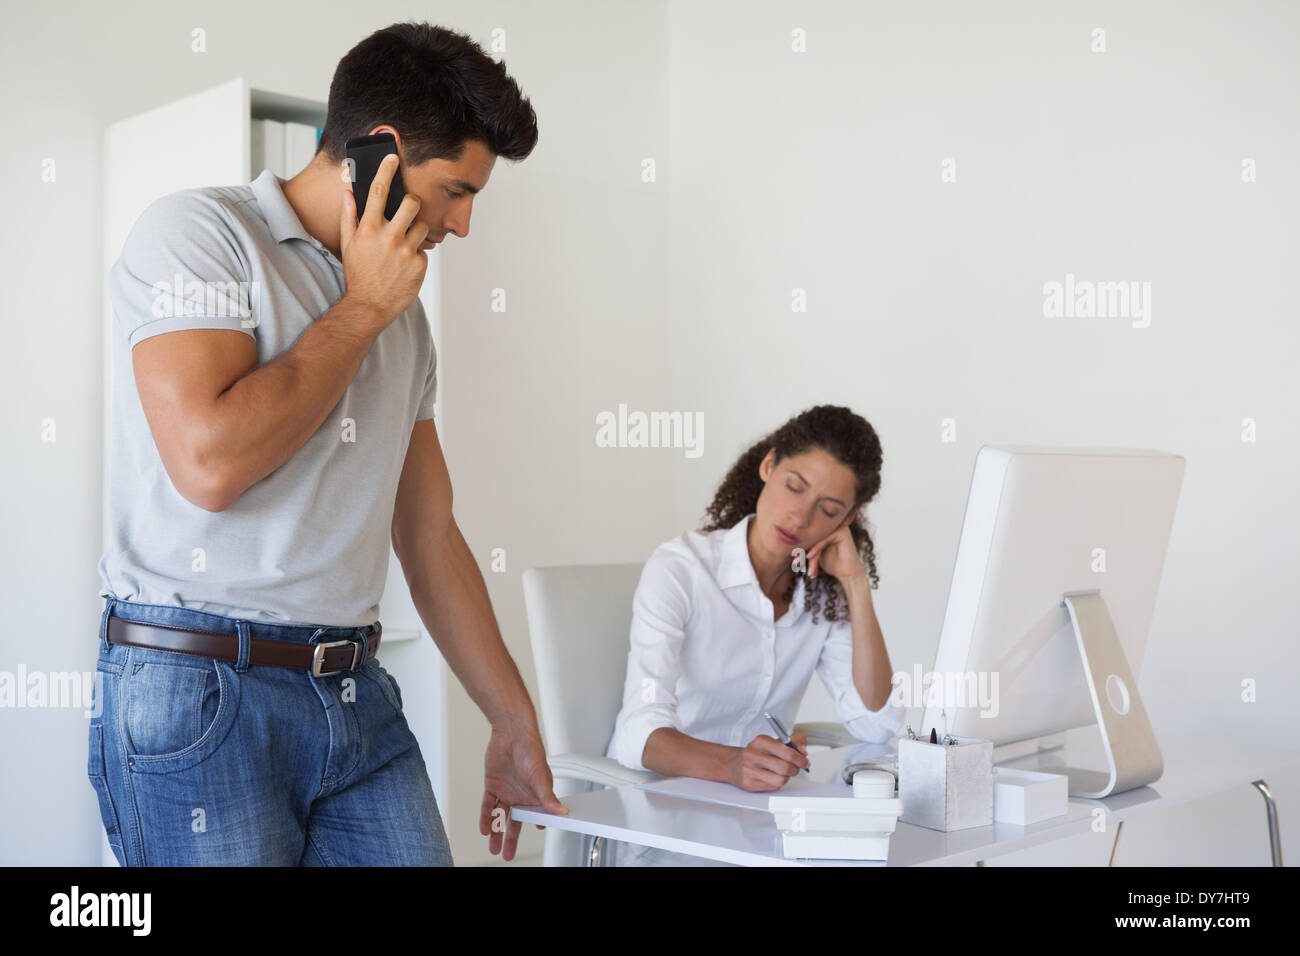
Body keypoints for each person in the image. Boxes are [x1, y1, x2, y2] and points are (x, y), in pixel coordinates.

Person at [89, 21, 566, 866]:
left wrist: (514, 720)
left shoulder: (404, 318)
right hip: (200, 691)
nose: (461, 227)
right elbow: (210, 463)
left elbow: (428, 532)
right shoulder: (199, 236)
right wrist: (361, 310)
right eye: (456, 190)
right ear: (379, 153)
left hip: (353, 695)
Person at [604, 405, 906, 865]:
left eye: (827, 510)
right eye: (794, 487)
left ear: (848, 520)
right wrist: (732, 764)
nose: (801, 517)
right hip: (662, 823)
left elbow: (877, 722)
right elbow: (637, 732)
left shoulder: (822, 596)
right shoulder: (682, 570)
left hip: (760, 830)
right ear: (768, 465)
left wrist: (855, 585)